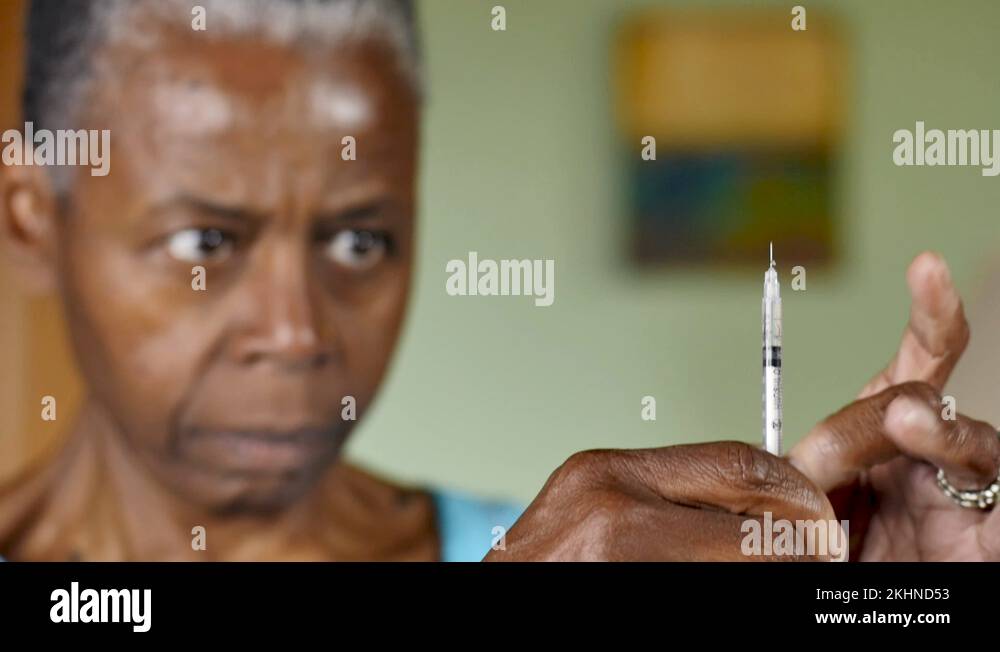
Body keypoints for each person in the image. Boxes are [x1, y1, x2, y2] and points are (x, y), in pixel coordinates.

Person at [1, 0, 997, 562]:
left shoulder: (571, 550)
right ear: (31, 215)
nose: (295, 331)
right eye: (206, 242)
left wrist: (892, 596)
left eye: (356, 242)